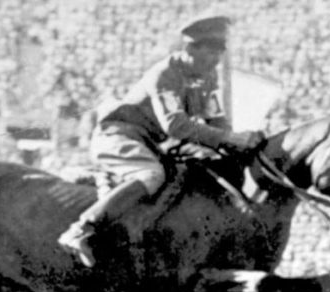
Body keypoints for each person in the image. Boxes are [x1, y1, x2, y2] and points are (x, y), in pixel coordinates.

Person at [57, 15, 265, 267]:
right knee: (151, 175)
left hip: (151, 143)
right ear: (190, 49)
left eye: (219, 54)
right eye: (210, 54)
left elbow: (216, 120)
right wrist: (228, 138)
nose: (215, 62)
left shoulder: (207, 78)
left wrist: (235, 142)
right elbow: (175, 124)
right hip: (120, 136)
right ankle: (82, 228)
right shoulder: (165, 74)